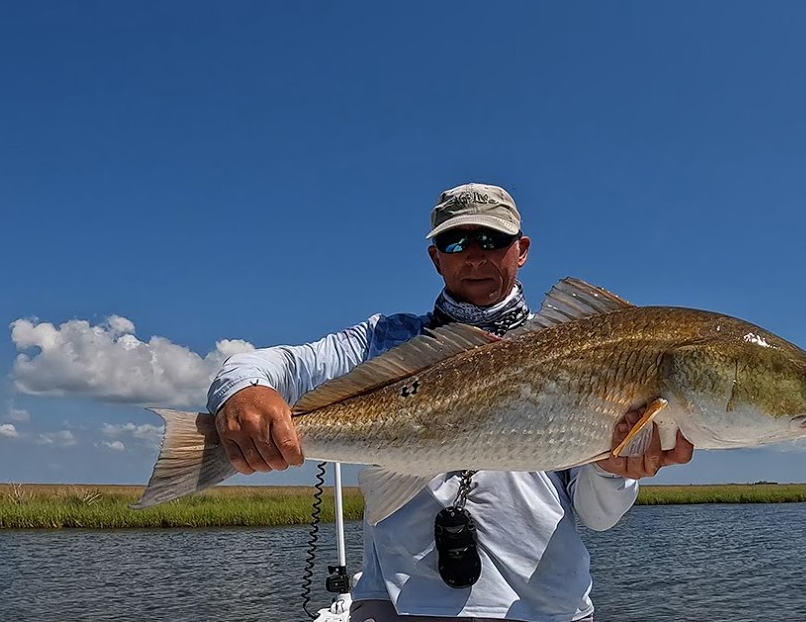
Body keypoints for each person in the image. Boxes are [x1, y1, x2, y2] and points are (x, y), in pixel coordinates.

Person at [207, 183, 694, 622]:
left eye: (492, 240)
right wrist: (244, 390)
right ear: (435, 257)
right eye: (456, 242)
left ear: (521, 250)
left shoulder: (584, 348)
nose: (475, 256)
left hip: (547, 608)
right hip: (401, 606)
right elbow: (270, 366)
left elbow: (599, 516)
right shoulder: (385, 340)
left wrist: (615, 469)